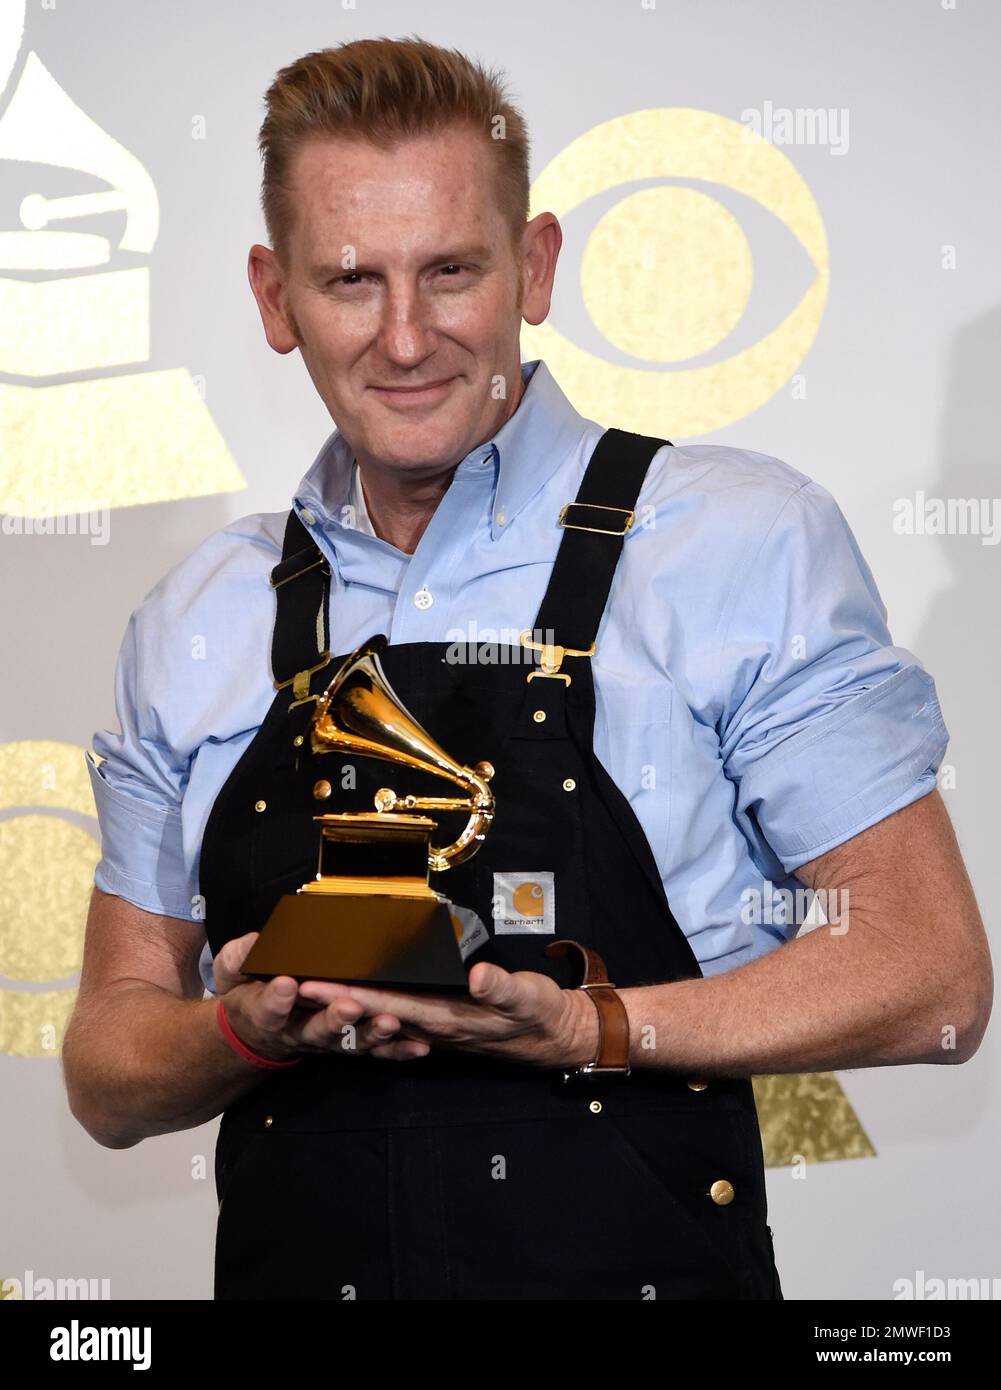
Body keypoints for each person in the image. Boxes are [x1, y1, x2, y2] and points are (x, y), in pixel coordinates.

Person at [63, 36, 991, 1301]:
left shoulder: (734, 541)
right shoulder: (196, 618)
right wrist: (240, 1024)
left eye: (450, 271)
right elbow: (108, 1067)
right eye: (349, 281)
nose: (404, 338)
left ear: (535, 265)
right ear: (273, 300)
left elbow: (928, 974)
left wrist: (595, 1026)